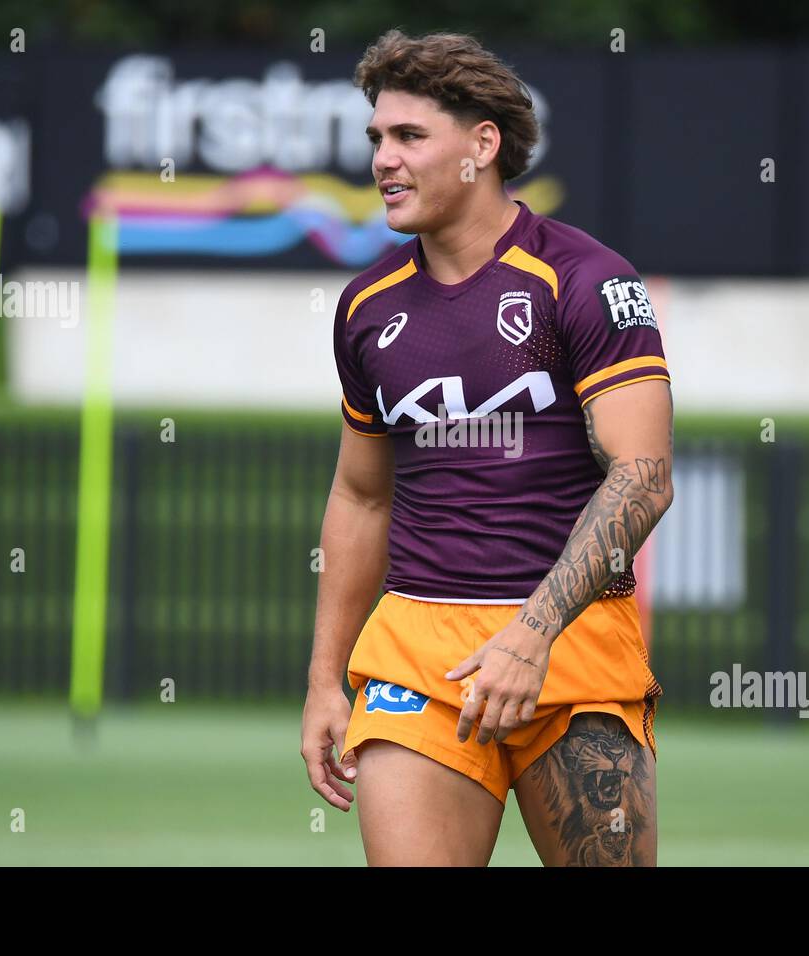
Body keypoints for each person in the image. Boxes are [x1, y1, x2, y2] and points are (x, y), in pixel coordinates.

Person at [301, 28, 674, 866]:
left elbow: (644, 478)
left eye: (409, 135)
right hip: (416, 654)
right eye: (376, 137)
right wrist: (326, 680)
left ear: (482, 145)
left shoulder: (586, 281)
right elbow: (361, 496)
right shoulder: (367, 306)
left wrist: (530, 636)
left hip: (571, 648)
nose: (383, 160)